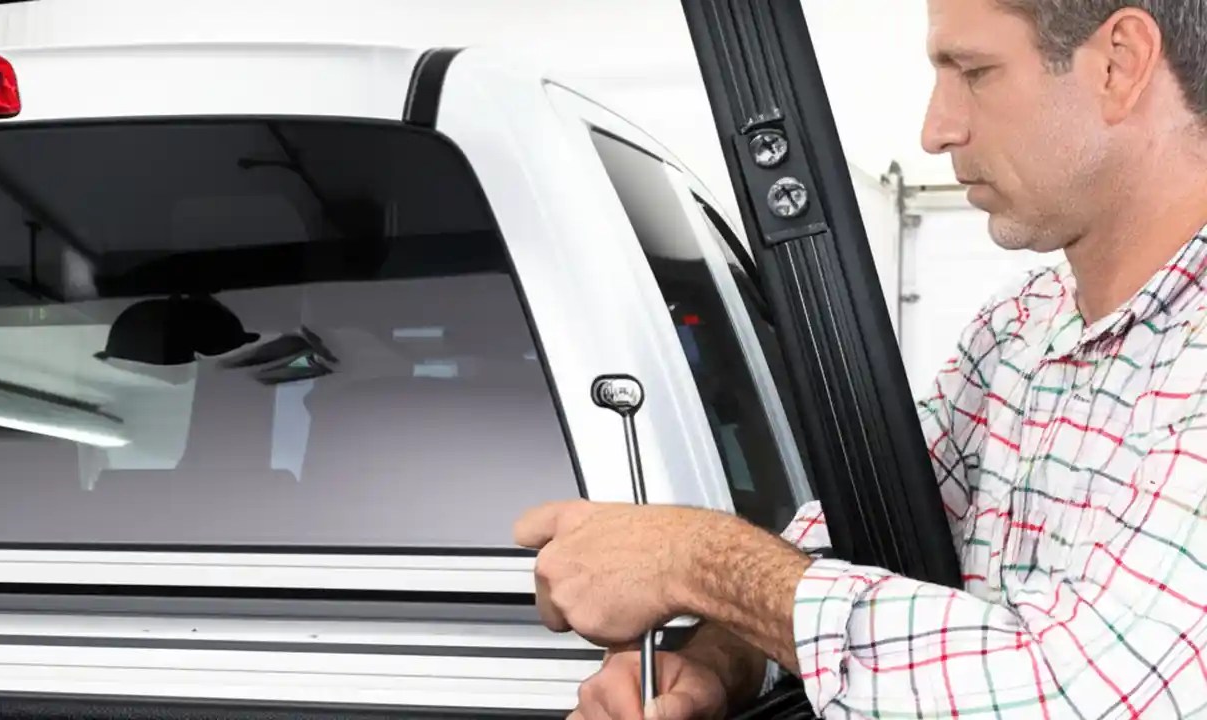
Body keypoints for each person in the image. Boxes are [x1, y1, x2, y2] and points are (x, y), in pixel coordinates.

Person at [512, 0, 1207, 717]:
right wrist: (721, 662)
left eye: (974, 72)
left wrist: (694, 563)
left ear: (1120, 63)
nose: (939, 130)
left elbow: (1080, 693)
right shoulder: (1019, 333)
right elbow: (862, 538)